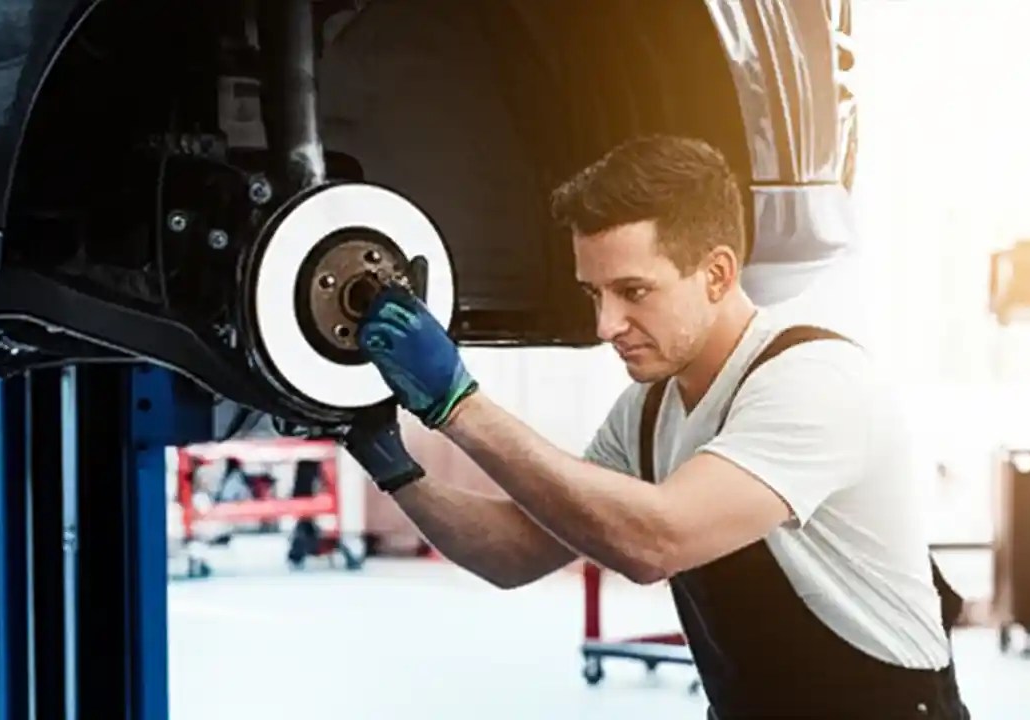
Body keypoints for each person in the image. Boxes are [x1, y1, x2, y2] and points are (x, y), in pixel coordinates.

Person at [354, 135, 969, 719]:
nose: (605, 324)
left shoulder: (812, 380)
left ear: (718, 275)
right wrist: (390, 463)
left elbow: (657, 542)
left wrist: (460, 408)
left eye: (633, 291)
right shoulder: (647, 412)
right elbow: (516, 552)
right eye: (594, 293)